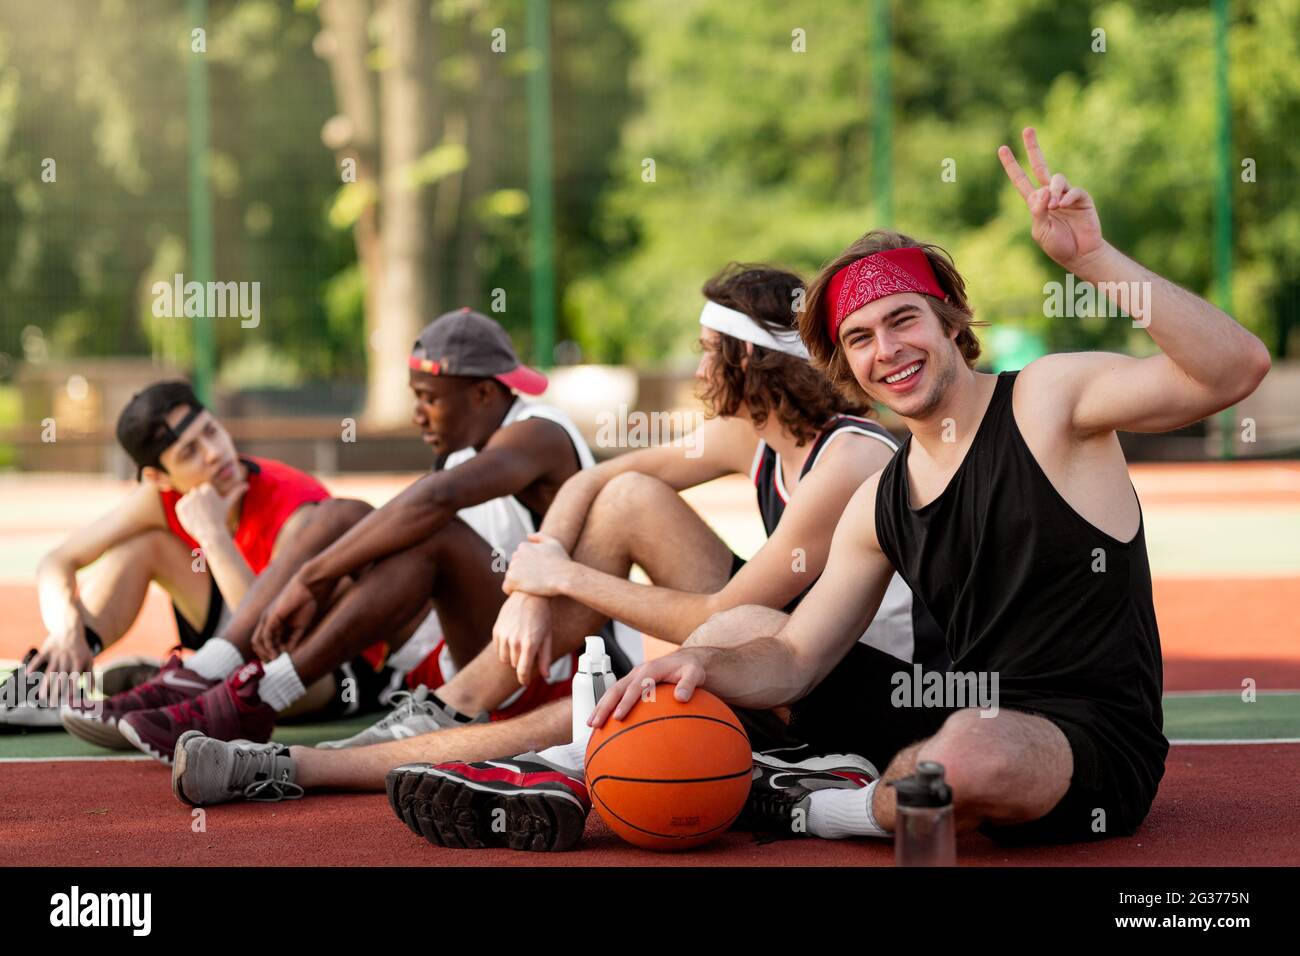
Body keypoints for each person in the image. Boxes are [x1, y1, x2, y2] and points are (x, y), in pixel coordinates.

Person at [591, 128, 1271, 847]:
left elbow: (1234, 369)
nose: (887, 351)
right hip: (955, 711)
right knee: (729, 633)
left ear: (951, 322)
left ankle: (818, 806)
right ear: (845, 368)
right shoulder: (879, 499)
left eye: (903, 319)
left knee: (966, 753)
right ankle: (587, 764)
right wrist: (698, 662)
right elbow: (795, 659)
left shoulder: (1047, 403)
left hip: (1087, 741)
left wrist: (1094, 260)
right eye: (859, 338)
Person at [171, 265, 943, 855]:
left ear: (749, 362)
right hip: (782, 650)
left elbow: (720, 616)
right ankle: (480, 720)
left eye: (709, 352)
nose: (697, 369)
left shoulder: (849, 456)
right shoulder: (756, 435)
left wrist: (563, 579)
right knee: (631, 501)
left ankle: (325, 767)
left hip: (864, 688)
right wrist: (534, 586)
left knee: (627, 693)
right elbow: (596, 481)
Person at [112, 308, 603, 764]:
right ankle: (216, 673)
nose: (417, 415)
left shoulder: (540, 431)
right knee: (340, 514)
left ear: (482, 394)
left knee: (432, 537)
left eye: (429, 400)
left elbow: (436, 500)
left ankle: (257, 693)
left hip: (553, 668)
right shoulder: (462, 450)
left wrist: (313, 577)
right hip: (463, 657)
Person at [0, 380, 335, 731]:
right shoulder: (163, 497)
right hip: (238, 640)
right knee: (145, 546)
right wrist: (67, 628)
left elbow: (272, 637)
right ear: (159, 477)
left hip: (315, 667)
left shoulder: (295, 505)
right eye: (189, 452)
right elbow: (57, 561)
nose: (214, 453)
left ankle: (182, 683)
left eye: (211, 431)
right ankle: (54, 681)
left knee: (264, 683)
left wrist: (212, 534)